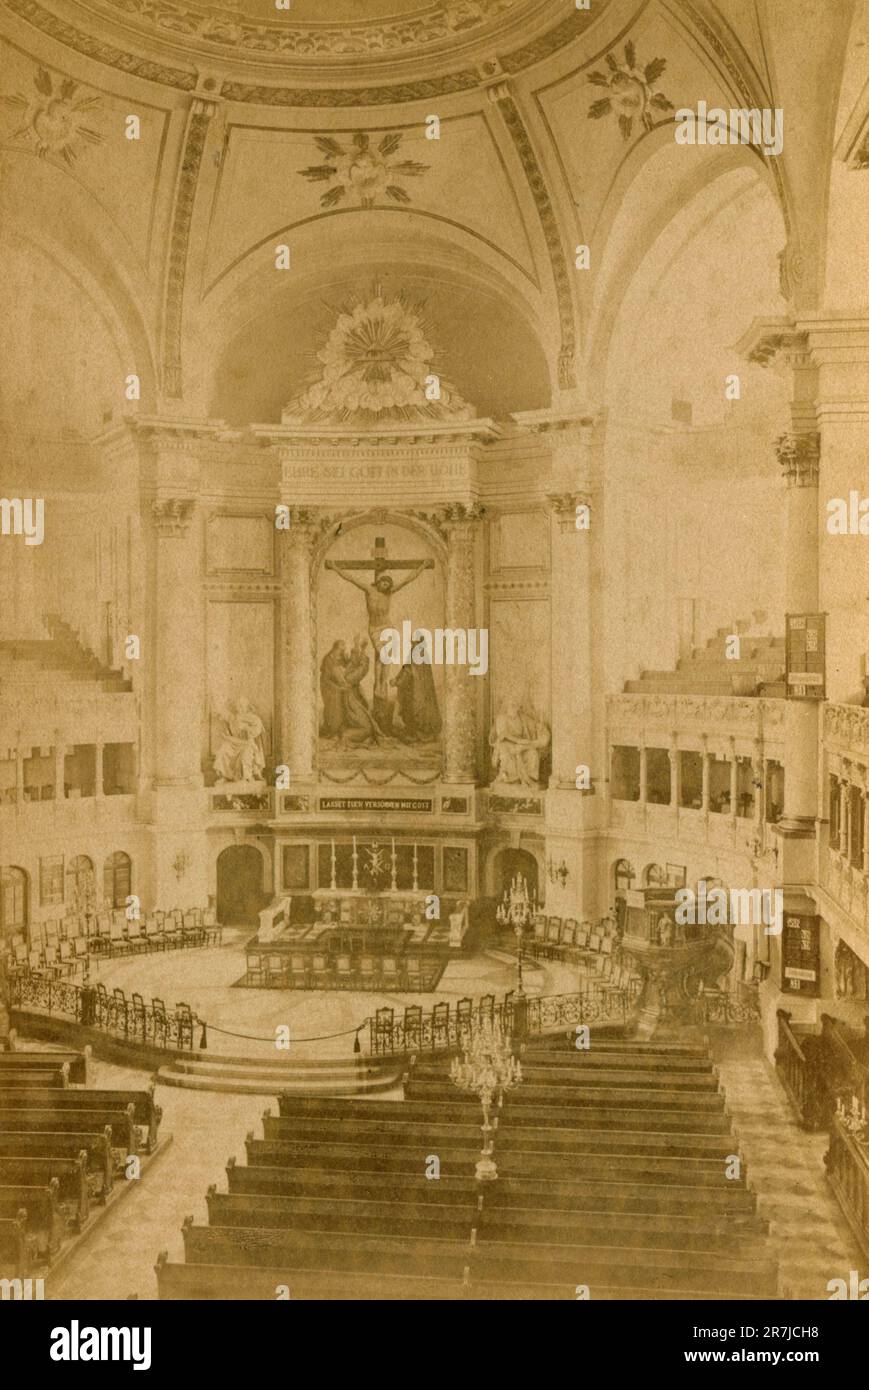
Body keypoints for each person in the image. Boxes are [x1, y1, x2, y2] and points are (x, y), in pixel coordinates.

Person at [213, 696, 266, 783]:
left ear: (246, 707)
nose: (239, 708)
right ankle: (224, 776)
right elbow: (223, 714)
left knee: (246, 753)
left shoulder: (254, 719)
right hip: (234, 743)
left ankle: (247, 776)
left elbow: (256, 733)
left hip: (247, 744)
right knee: (223, 751)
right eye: (238, 706)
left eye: (242, 706)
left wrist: (245, 727)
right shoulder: (233, 718)